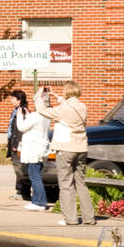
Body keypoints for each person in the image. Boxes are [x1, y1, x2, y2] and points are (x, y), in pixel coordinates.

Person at [36, 81, 95, 226]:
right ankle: (89, 218)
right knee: (81, 183)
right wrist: (57, 96)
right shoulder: (82, 107)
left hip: (65, 149)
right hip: (81, 148)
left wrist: (38, 96)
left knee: (66, 184)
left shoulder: (63, 110)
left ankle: (71, 219)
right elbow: (69, 105)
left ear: (66, 92)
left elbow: (42, 110)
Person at [14, 91, 50, 211]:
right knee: (36, 175)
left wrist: (19, 116)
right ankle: (37, 200)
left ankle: (40, 202)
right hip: (41, 148)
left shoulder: (36, 115)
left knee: (34, 176)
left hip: (34, 149)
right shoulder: (47, 116)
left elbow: (22, 127)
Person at [6, 90, 34, 201]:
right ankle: (21, 190)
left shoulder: (22, 112)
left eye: (13, 98)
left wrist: (16, 144)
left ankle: (22, 191)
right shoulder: (16, 110)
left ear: (19, 100)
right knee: (18, 168)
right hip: (13, 142)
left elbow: (20, 129)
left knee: (20, 169)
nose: (11, 100)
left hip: (18, 144)